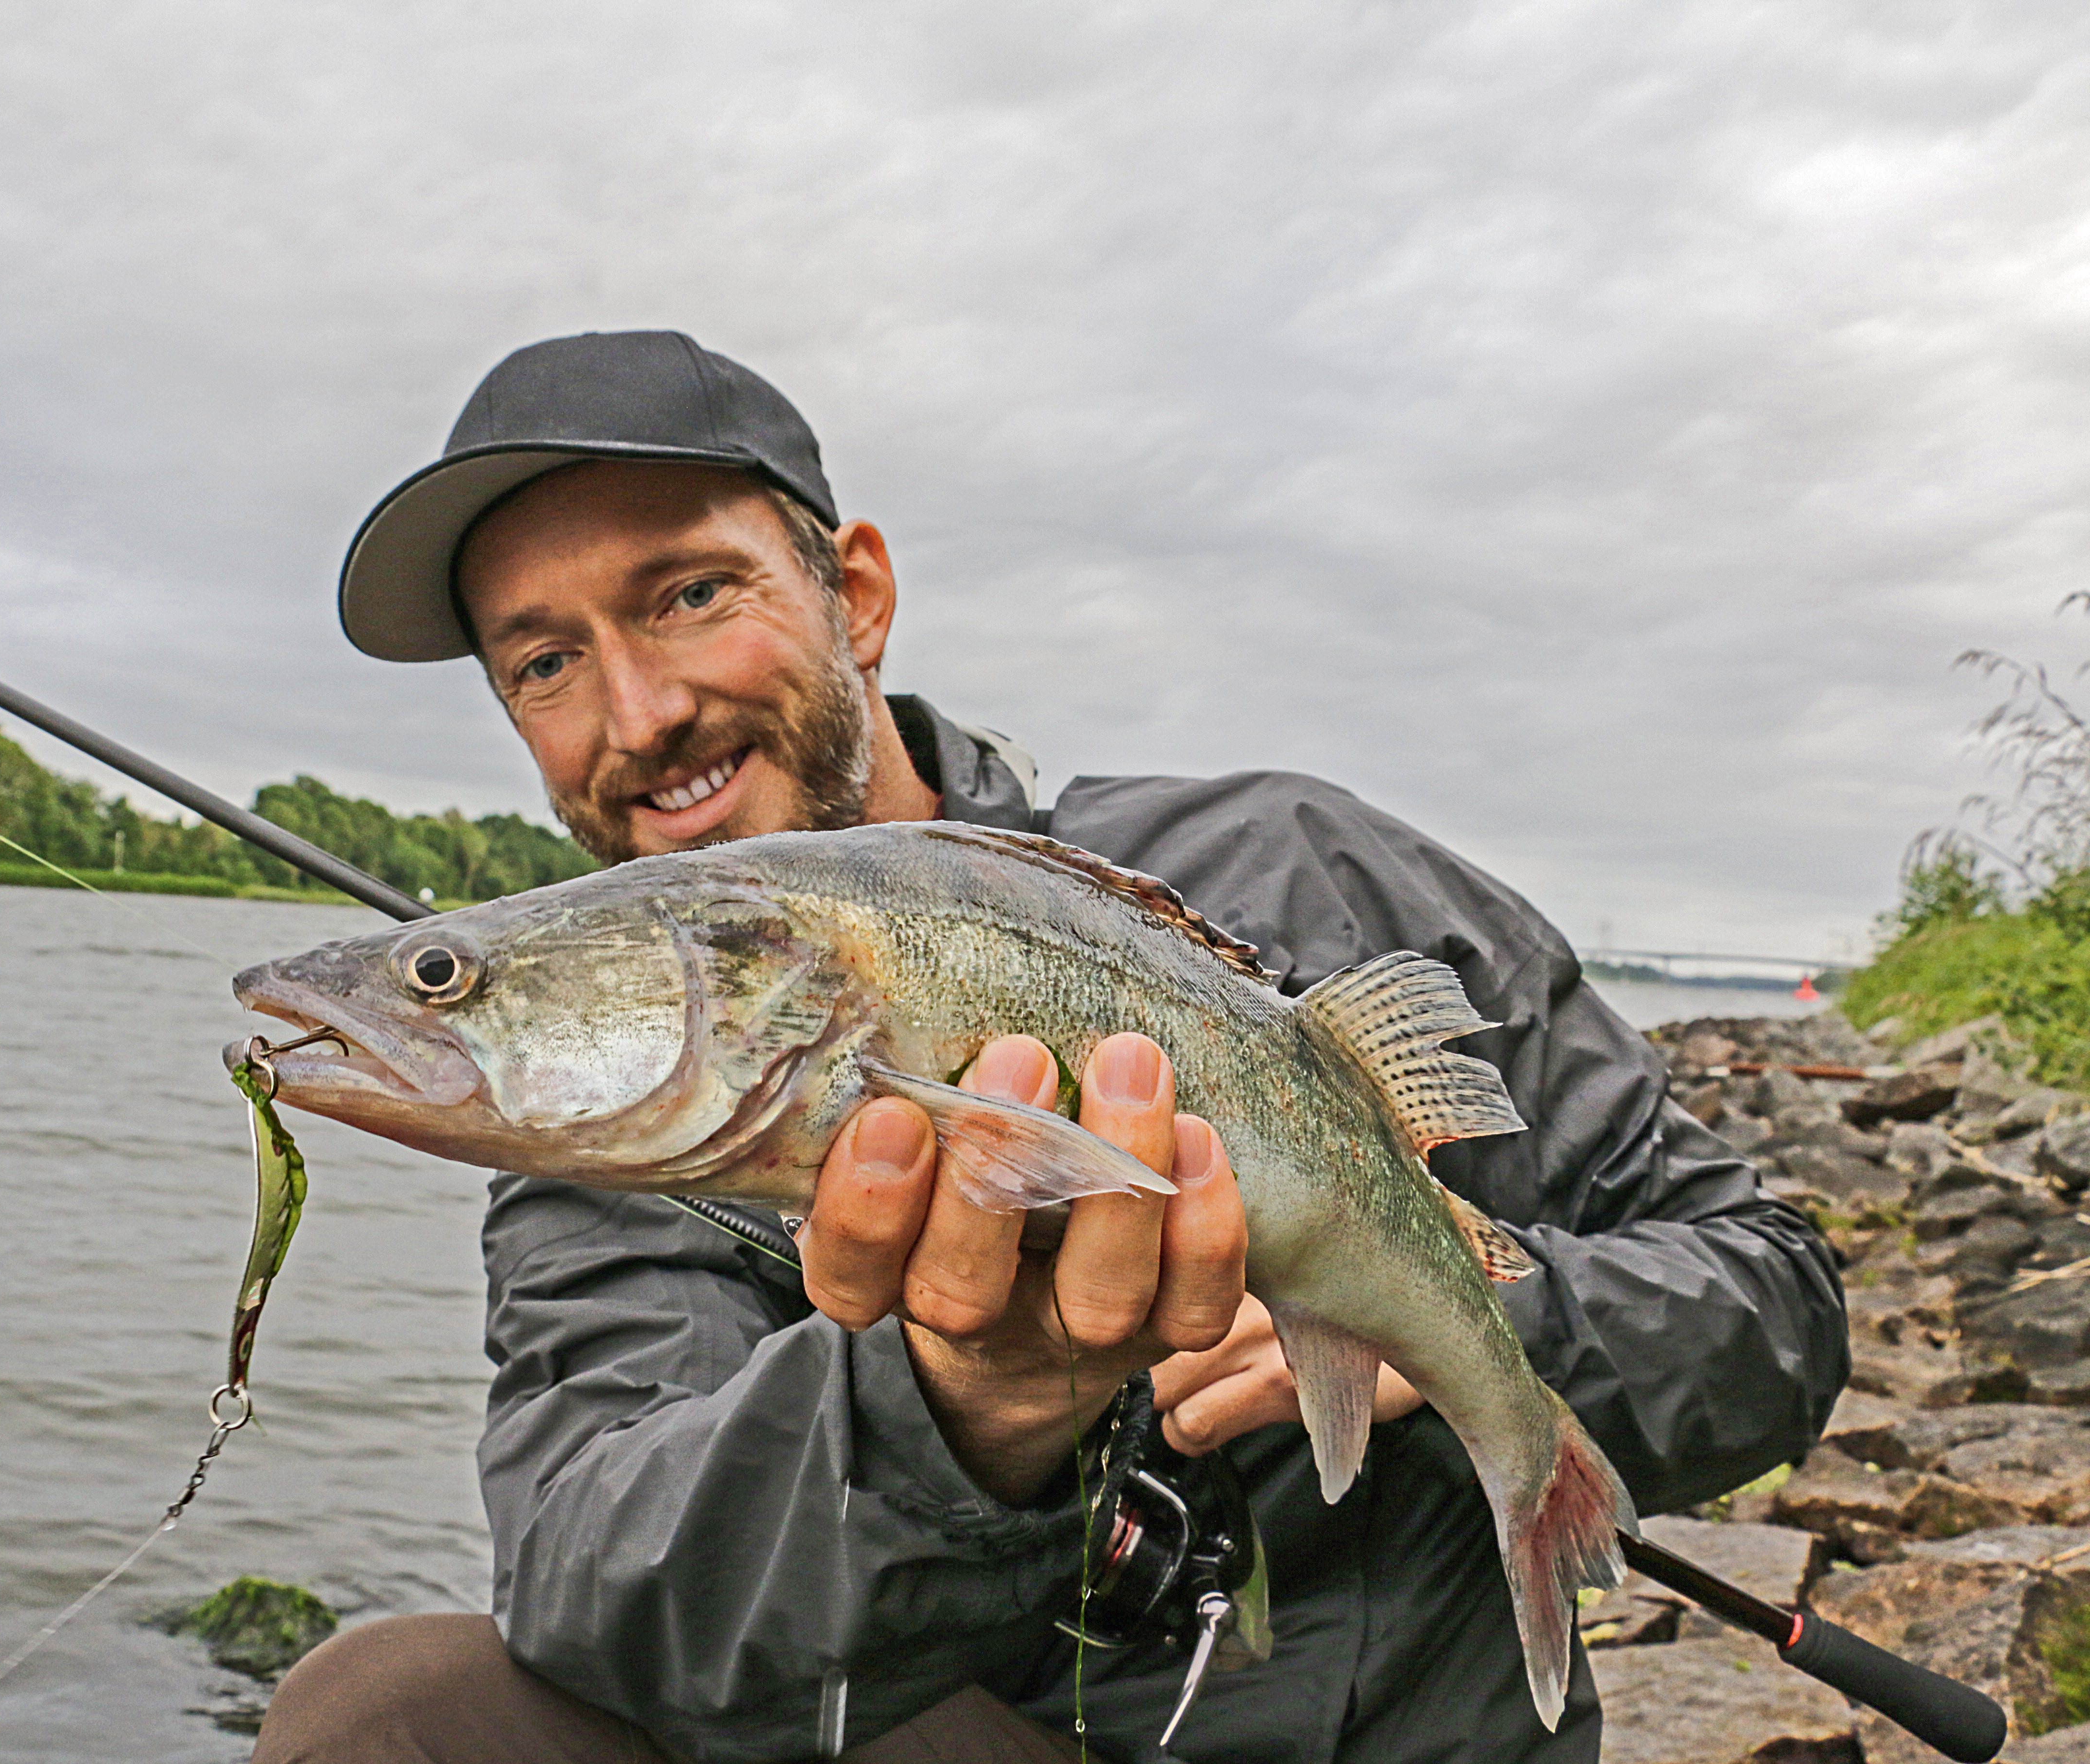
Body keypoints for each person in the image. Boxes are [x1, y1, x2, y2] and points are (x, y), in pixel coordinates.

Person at [250, 331, 1848, 1764]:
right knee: (383, 1722)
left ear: (855, 596)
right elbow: (601, 1589)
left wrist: (1464, 1334)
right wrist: (963, 1407)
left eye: (690, 592)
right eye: (542, 660)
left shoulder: (1308, 872)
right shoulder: (596, 1151)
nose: (639, 709)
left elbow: (1774, 1292)